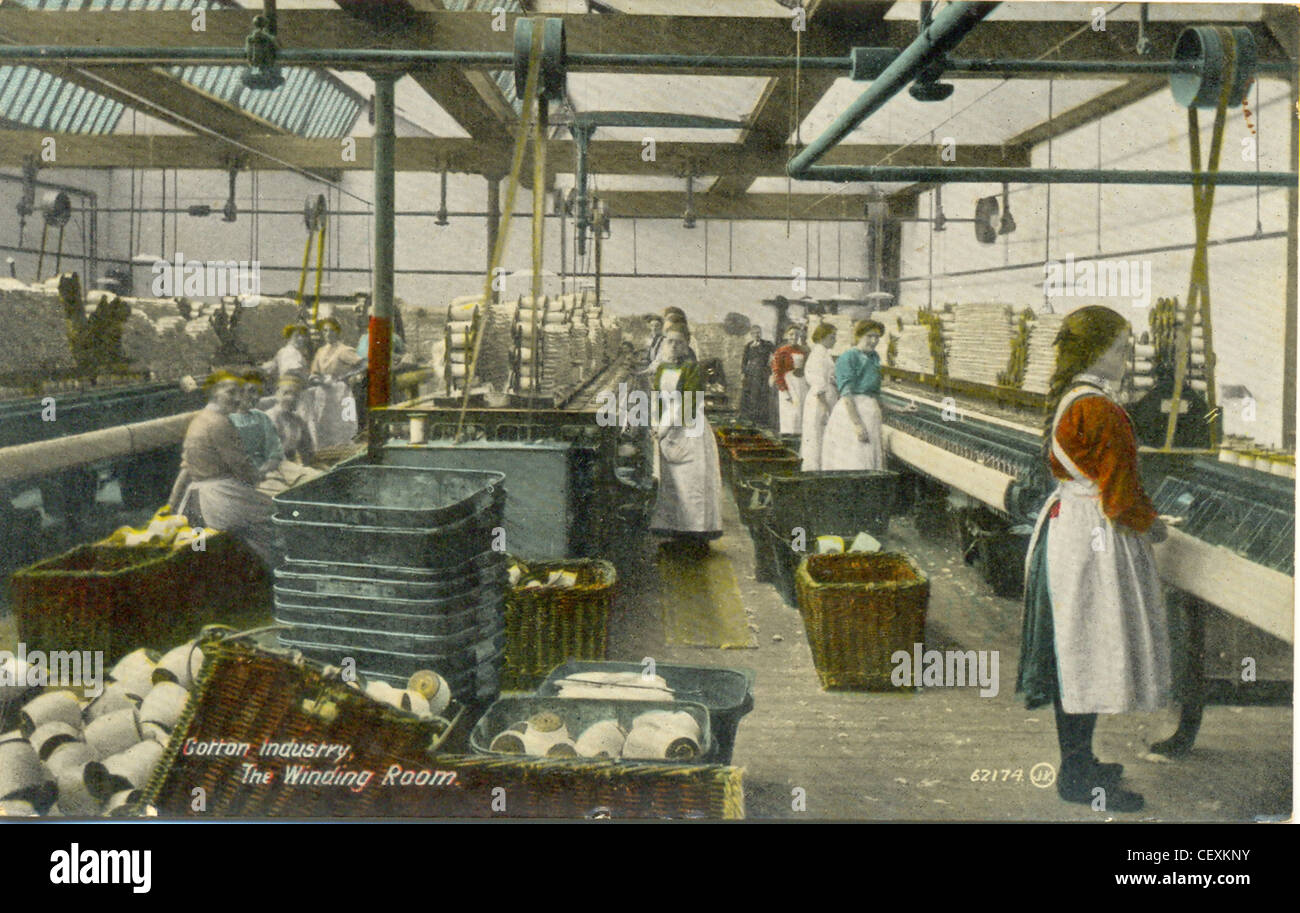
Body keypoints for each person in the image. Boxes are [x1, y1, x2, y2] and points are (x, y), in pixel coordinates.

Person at [1016, 305, 1172, 813]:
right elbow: (1121, 499)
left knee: (1078, 650)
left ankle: (1079, 760)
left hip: (1072, 530)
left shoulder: (1073, 397)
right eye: (1122, 348)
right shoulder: (1100, 407)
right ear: (1098, 350)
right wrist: (1155, 525)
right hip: (1095, 540)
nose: (1127, 358)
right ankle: (1077, 776)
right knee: (1088, 650)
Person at [170, 371, 280, 568]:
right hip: (221, 498)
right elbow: (242, 466)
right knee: (273, 517)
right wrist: (258, 479)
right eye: (231, 392)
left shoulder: (198, 420)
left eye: (239, 393)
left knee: (201, 546)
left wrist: (172, 505)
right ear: (214, 393)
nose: (237, 399)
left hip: (196, 500)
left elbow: (185, 469)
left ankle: (225, 571)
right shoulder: (220, 423)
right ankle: (273, 575)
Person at [649, 325, 723, 555]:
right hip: (668, 431)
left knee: (693, 486)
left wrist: (665, 427)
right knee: (673, 486)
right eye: (669, 341)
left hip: (689, 430)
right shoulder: (662, 369)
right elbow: (657, 398)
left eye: (678, 342)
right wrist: (654, 422)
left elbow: (688, 404)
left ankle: (697, 538)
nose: (673, 346)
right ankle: (677, 534)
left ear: (687, 344)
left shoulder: (692, 369)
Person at [821, 319, 911, 471]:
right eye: (870, 336)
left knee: (869, 460)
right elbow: (847, 394)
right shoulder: (848, 357)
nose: (874, 341)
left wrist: (901, 409)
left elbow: (874, 395)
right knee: (854, 460)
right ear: (859, 335)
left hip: (870, 414)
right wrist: (857, 425)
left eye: (877, 337)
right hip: (852, 415)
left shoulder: (874, 357)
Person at [308, 317, 361, 450]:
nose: (328, 334)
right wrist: (318, 380)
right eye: (325, 331)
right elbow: (314, 373)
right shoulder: (320, 351)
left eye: (331, 331)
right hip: (323, 392)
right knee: (322, 422)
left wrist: (346, 377)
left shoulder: (344, 350)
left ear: (337, 332)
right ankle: (325, 453)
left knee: (343, 424)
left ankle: (343, 451)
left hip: (341, 392)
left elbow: (363, 365)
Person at [800, 323, 839, 471]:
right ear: (822, 337)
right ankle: (815, 470)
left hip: (825, 397)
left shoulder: (824, 353)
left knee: (821, 435)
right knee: (817, 435)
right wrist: (826, 409)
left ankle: (822, 468)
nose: (835, 340)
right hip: (819, 401)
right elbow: (818, 385)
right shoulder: (818, 354)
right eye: (832, 337)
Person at [771, 324, 809, 435]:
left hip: (801, 384)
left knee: (800, 412)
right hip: (788, 384)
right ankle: (787, 437)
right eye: (791, 334)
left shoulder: (803, 351)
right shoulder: (781, 351)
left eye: (797, 335)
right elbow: (777, 372)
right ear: (787, 335)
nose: (794, 337)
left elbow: (807, 368)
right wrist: (784, 390)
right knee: (790, 414)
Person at [739, 324, 776, 429]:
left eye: (758, 332)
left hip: (763, 374)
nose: (757, 335)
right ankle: (750, 419)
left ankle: (761, 420)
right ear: (751, 334)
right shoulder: (748, 346)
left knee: (761, 395)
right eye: (754, 333)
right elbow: (744, 361)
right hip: (751, 374)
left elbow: (776, 354)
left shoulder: (767, 344)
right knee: (751, 395)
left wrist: (772, 365)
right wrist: (743, 373)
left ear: (761, 333)